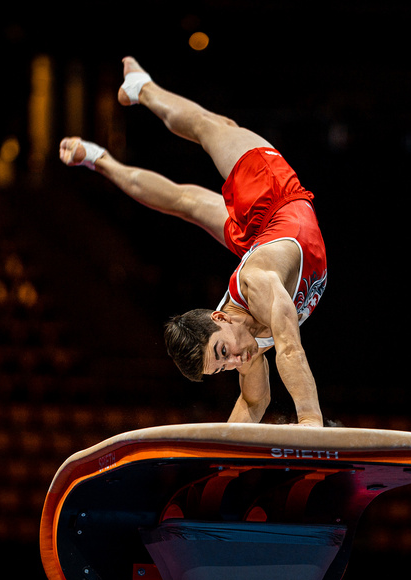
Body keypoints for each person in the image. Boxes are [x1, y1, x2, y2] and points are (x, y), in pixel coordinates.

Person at [59, 57, 328, 427]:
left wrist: (311, 424)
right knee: (183, 203)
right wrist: (219, 466)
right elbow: (254, 403)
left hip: (272, 196)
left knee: (210, 127)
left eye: (223, 352)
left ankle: (144, 89)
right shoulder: (243, 345)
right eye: (223, 366)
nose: (235, 362)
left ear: (219, 318)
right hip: (258, 237)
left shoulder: (260, 285)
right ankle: (98, 158)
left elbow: (290, 348)